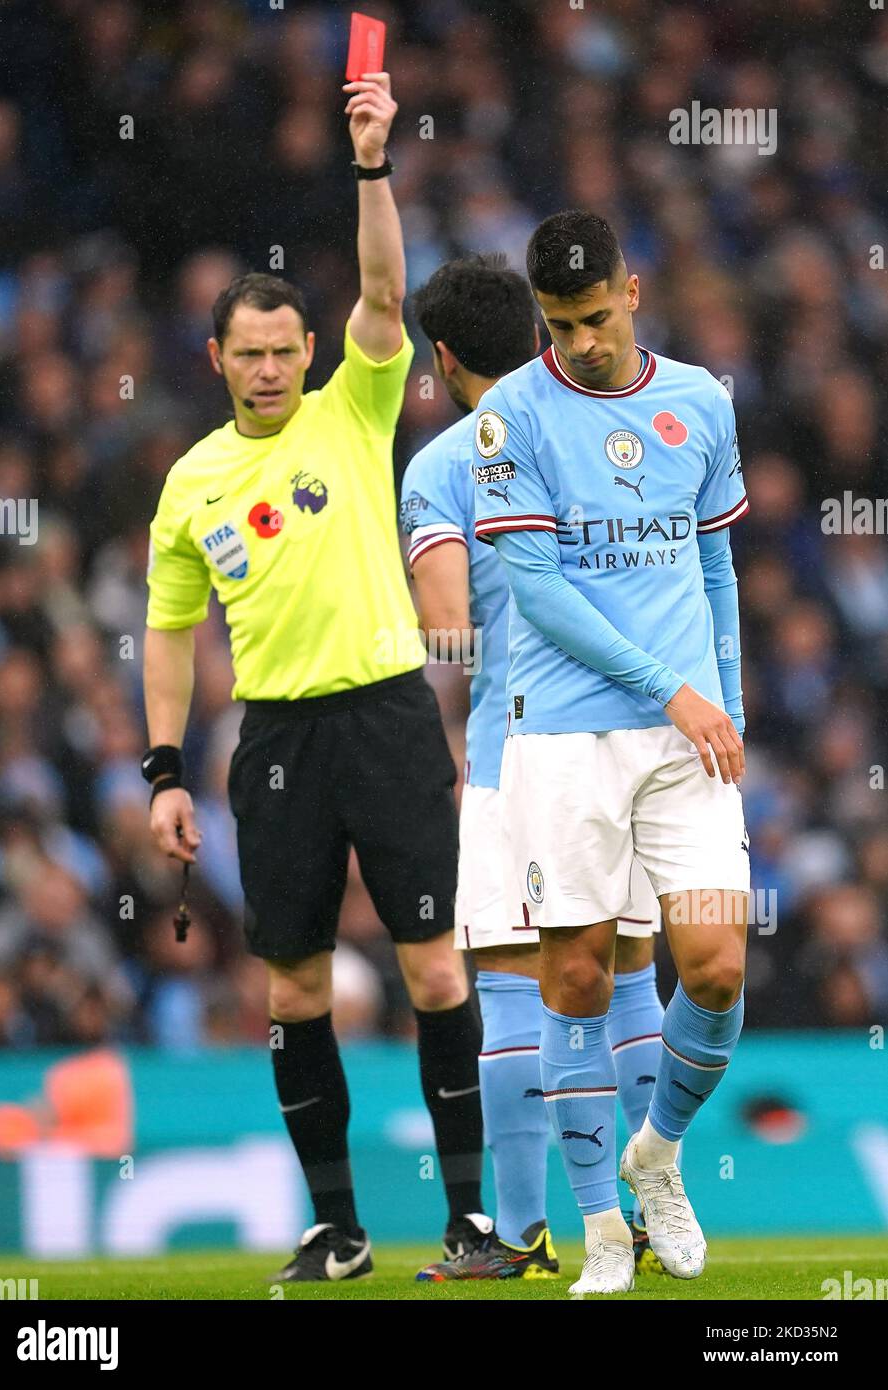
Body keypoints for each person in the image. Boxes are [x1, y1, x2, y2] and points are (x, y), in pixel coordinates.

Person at [141, 70, 488, 1283]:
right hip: (276, 739)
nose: (276, 370)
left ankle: (466, 1222)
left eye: (291, 349)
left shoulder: (356, 408)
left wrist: (372, 162)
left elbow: (386, 289)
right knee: (294, 987)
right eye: (254, 354)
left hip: (391, 713)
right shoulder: (188, 486)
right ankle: (338, 1228)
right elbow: (169, 636)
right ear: (218, 358)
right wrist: (166, 772)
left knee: (435, 963)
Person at [473, 211, 750, 1296]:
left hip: (687, 729)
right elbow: (540, 591)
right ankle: (598, 1233)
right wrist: (675, 689)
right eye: (559, 324)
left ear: (632, 290)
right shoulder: (511, 420)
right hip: (564, 734)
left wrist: (723, 693)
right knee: (578, 975)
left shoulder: (701, 400)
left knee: (719, 967)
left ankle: (659, 1153)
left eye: (595, 317)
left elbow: (716, 562)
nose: (581, 340)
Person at [399, 255, 665, 1282]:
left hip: (523, 753)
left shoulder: (444, 465)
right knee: (631, 974)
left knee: (514, 984)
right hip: (638, 741)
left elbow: (450, 631)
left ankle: (516, 1236)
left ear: (445, 359)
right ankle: (647, 1217)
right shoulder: (605, 428)